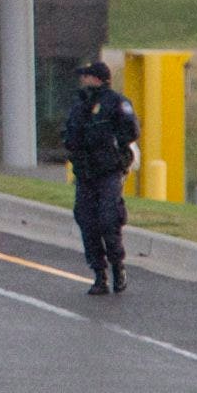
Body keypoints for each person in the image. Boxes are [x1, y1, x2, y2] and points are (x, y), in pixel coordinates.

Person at [60, 60, 139, 296]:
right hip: (85, 173)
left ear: (97, 78)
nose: (82, 80)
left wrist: (114, 149)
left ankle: (118, 266)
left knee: (108, 219)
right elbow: (69, 134)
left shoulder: (117, 103)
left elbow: (131, 131)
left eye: (86, 76)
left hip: (108, 172)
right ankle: (99, 274)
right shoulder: (79, 105)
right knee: (87, 221)